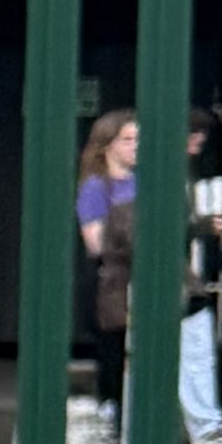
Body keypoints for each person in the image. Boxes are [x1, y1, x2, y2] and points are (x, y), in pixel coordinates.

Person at [182, 107, 222, 444]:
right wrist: (202, 226)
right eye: (194, 133)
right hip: (181, 274)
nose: (200, 140)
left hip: (190, 273)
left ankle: (206, 420)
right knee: (195, 351)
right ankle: (205, 424)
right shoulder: (175, 173)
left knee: (197, 350)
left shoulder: (187, 171)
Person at [75, 107, 137, 407]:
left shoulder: (145, 182)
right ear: (107, 144)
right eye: (127, 139)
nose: (136, 146)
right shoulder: (96, 187)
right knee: (113, 351)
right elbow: (96, 242)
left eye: (138, 139)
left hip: (141, 277)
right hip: (111, 279)